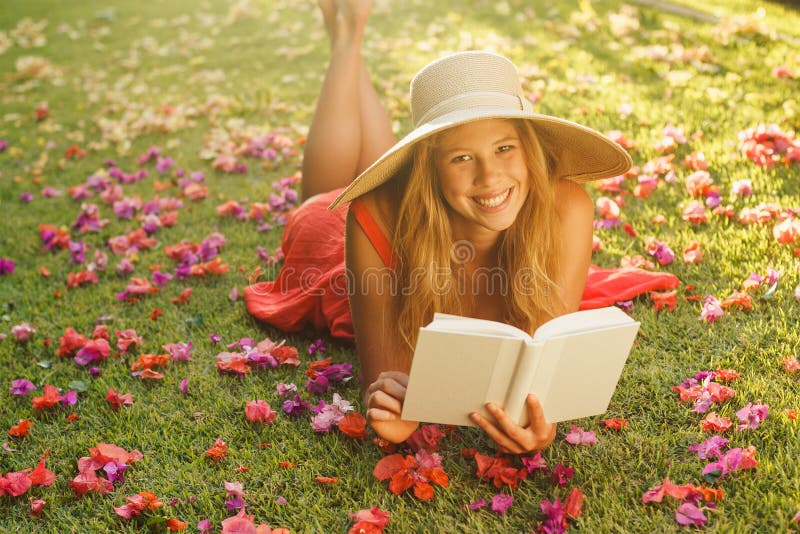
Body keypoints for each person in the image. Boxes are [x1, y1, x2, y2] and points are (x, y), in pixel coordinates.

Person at [245, 0, 677, 453]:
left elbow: (542, 360)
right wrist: (388, 407)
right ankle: (347, 38)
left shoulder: (566, 204)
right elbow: (385, 380)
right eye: (462, 158)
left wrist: (540, 421)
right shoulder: (374, 215)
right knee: (327, 192)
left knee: (375, 168)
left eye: (505, 148)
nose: (490, 177)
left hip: (416, 207)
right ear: (426, 171)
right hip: (342, 238)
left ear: (529, 148)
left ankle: (350, 37)